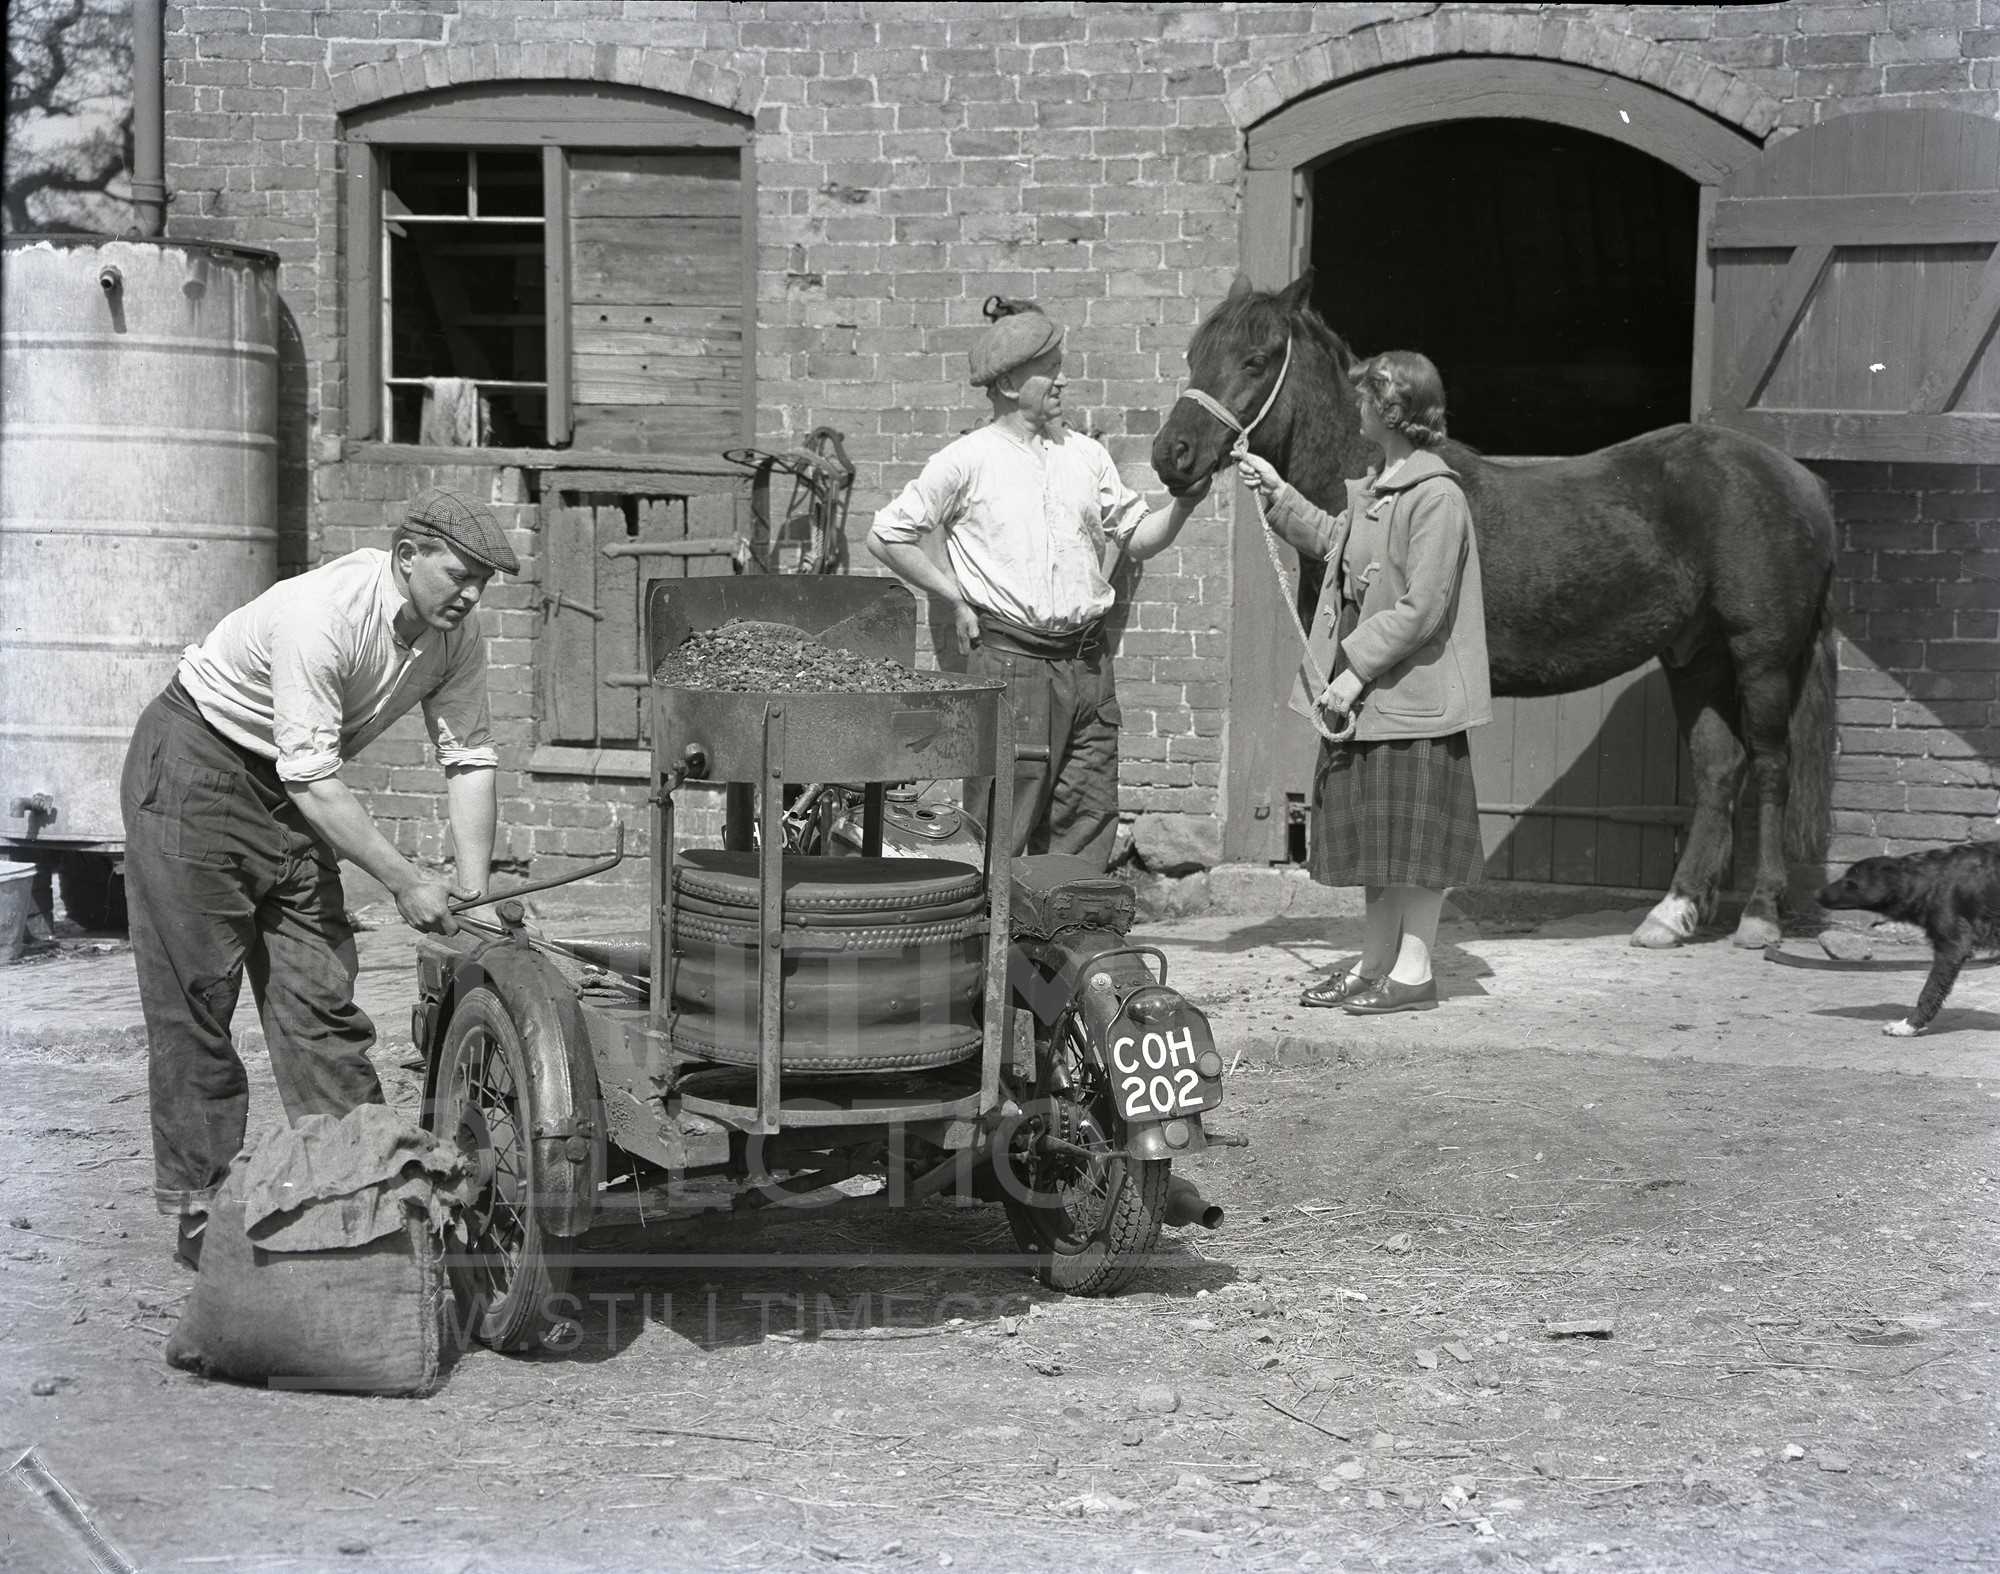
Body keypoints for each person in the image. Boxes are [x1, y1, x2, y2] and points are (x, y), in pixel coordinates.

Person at [120, 488, 517, 1268]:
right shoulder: (323, 613)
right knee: (198, 1004)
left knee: (321, 1003)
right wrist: (405, 880)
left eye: (483, 581)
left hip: (293, 787)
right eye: (459, 574)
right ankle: (204, 1222)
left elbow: (469, 757)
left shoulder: (455, 637)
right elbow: (311, 778)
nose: (471, 594)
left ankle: (365, 1205)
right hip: (198, 768)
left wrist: (472, 891)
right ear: (408, 556)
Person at [867, 298, 1212, 866]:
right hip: (1012, 664)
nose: (1062, 380)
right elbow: (887, 535)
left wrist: (1184, 505)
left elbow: (1135, 536)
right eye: (1049, 369)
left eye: (1059, 366)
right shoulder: (966, 460)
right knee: (1003, 822)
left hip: (1089, 668)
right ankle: (993, 924)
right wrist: (954, 596)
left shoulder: (1085, 456)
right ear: (1008, 384)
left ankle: (1070, 922)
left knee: (1087, 817)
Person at [1237, 350, 1489, 1015]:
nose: (1357, 407)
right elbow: (1336, 544)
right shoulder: (1383, 484)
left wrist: (1351, 675)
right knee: (1382, 847)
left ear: (1393, 410)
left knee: (1417, 848)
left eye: (1365, 398)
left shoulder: (1437, 496)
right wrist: (1278, 494)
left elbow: (1422, 607)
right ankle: (1375, 964)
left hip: (1412, 700)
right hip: (1378, 696)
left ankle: (1414, 972)